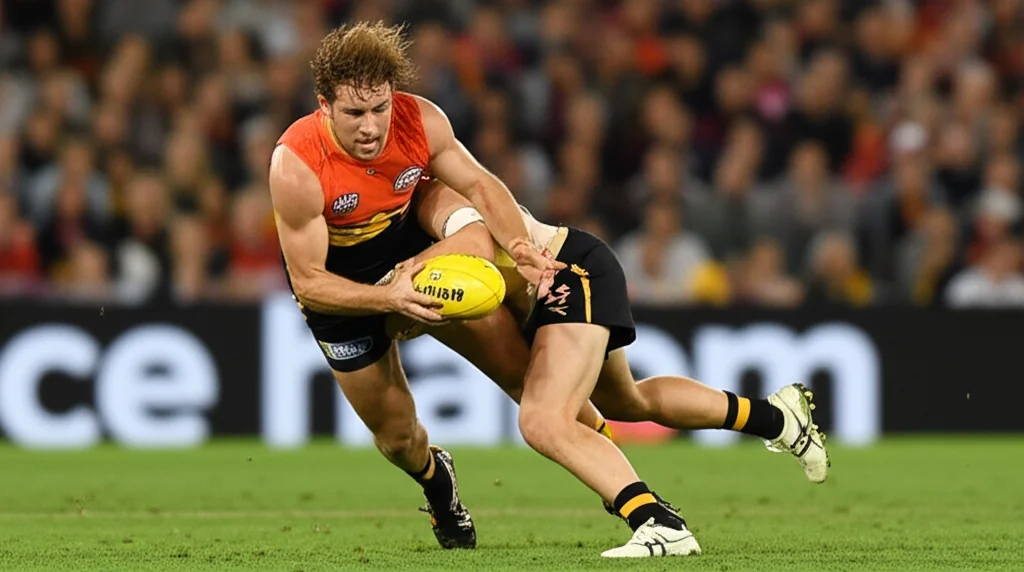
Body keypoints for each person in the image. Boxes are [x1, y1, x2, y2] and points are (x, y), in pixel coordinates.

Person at [400, 182, 831, 558]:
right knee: (626, 399)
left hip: (569, 272)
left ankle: (659, 524)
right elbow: (516, 372)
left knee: (542, 419)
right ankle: (777, 417)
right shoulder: (382, 227)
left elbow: (475, 239)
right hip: (549, 294)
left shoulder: (424, 197)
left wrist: (393, 285)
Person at [268, 22, 570, 550]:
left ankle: (620, 478)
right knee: (399, 439)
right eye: (355, 113)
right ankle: (439, 486)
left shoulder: (420, 119)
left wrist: (520, 245)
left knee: (524, 371)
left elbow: (478, 183)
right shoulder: (296, 165)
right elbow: (310, 284)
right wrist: (388, 297)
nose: (371, 127)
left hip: (412, 256)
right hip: (344, 294)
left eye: (379, 108)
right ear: (324, 106)